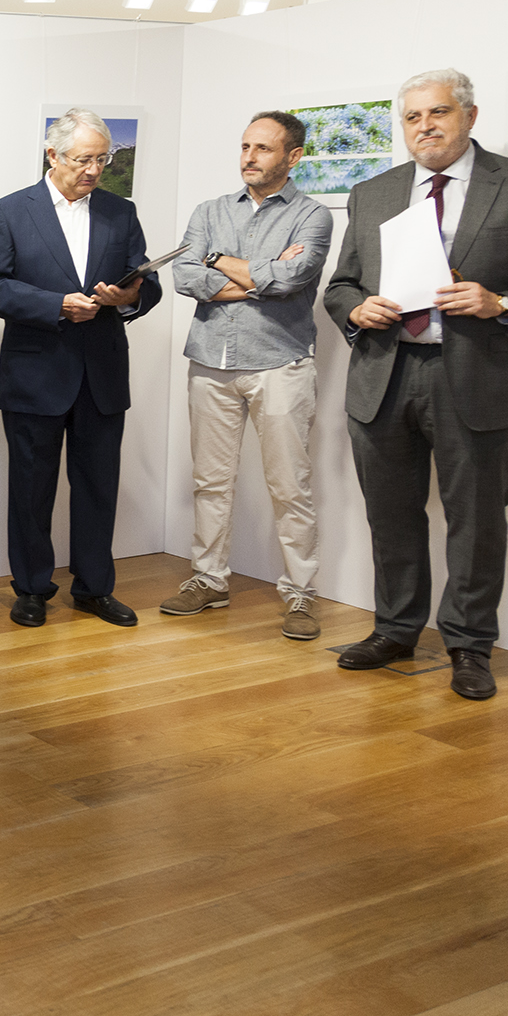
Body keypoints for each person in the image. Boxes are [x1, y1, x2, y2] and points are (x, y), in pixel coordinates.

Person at [322, 68, 508, 700]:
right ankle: (396, 629)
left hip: (477, 378)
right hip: (384, 376)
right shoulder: (374, 192)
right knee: (392, 515)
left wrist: (500, 302)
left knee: (476, 520)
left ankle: (469, 644)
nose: (425, 126)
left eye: (438, 113)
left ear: (469, 116)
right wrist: (356, 310)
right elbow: (341, 285)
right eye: (412, 117)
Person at [0, 108, 162, 629]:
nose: (92, 171)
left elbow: (145, 285)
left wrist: (127, 297)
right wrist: (56, 304)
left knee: (97, 487)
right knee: (31, 489)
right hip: (35, 373)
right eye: (83, 159)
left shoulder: (120, 211)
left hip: (101, 375)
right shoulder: (10, 211)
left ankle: (93, 589)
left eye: (101, 160)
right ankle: (32, 588)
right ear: (52, 155)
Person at [166, 112, 332, 638]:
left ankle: (300, 594)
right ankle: (209, 579)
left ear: (293, 156)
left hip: (280, 363)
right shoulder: (210, 209)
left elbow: (292, 278)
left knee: (290, 487)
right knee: (210, 482)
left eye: (262, 148)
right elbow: (185, 275)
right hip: (211, 362)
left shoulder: (314, 216)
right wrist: (255, 272)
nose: (249, 157)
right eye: (244, 146)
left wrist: (219, 259)